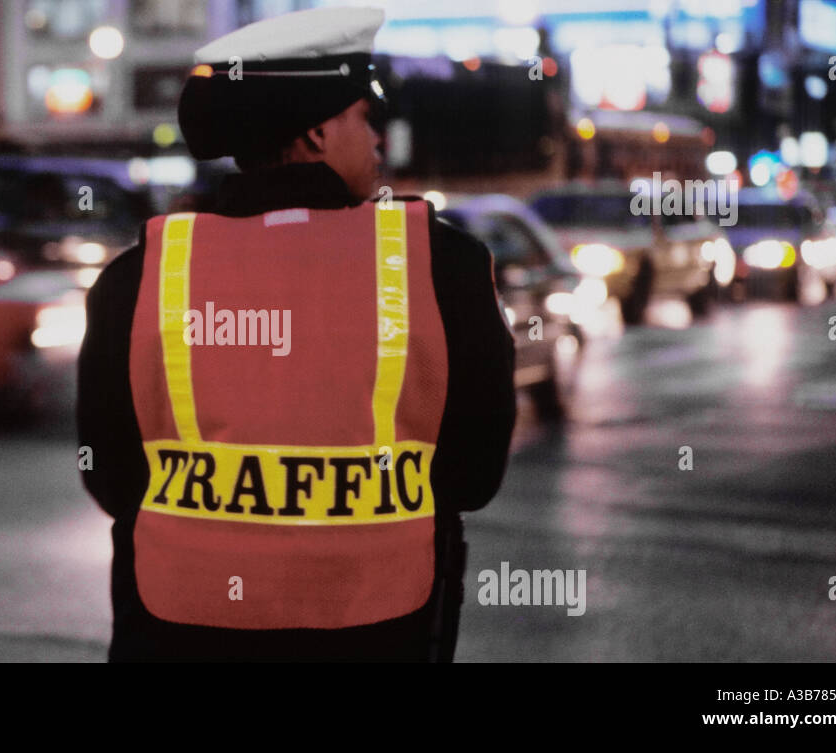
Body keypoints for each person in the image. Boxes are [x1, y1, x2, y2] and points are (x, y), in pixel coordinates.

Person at [77, 6, 516, 662]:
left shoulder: (138, 275)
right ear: (316, 131)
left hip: (175, 632)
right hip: (381, 632)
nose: (378, 141)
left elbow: (109, 475)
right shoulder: (440, 265)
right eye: (366, 118)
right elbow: (475, 475)